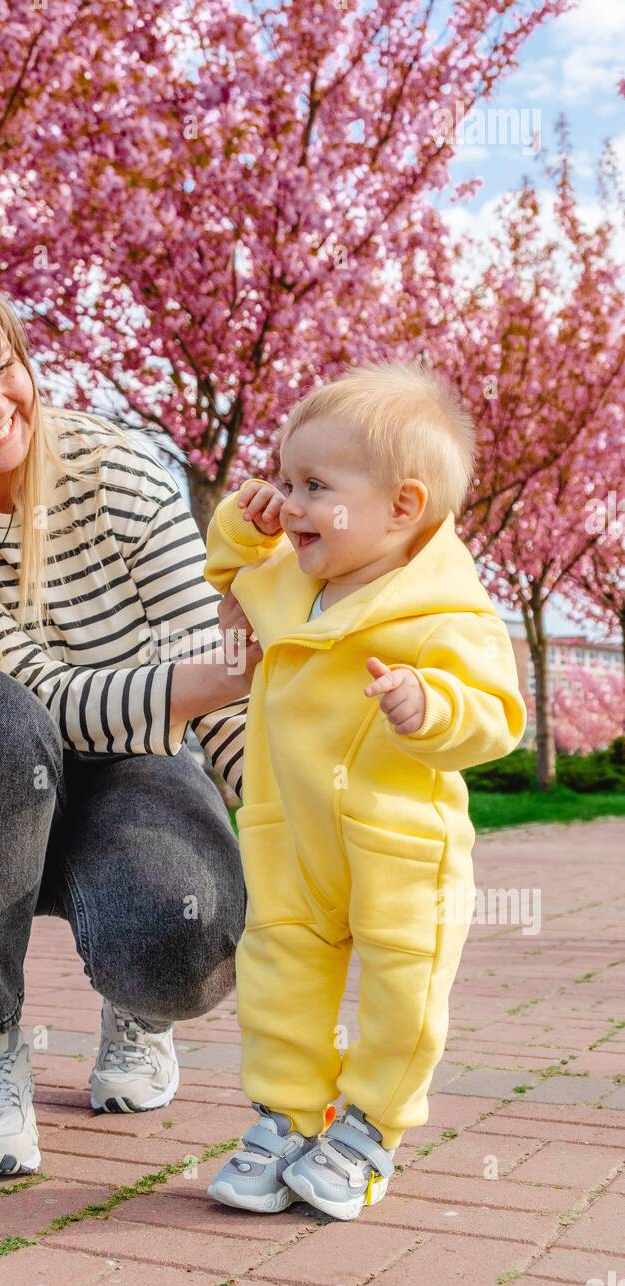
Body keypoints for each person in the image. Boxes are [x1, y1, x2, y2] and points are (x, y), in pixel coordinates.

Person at [0, 251, 262, 1177]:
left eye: (4, 366)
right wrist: (206, 686)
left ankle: (140, 1008)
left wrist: (291, 835)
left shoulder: (124, 475)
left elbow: (216, 673)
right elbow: (51, 700)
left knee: (178, 932)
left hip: (139, 768)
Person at [203, 360, 526, 1220]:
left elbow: (498, 715)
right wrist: (247, 517)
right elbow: (230, 567)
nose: (291, 502)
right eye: (282, 479)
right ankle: (284, 1115)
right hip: (292, 837)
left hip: (398, 846)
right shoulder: (293, 583)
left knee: (403, 993)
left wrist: (433, 707)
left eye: (314, 485)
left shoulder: (447, 613)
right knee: (281, 974)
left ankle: (371, 1130)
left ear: (403, 507)